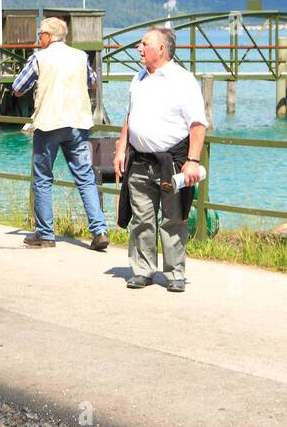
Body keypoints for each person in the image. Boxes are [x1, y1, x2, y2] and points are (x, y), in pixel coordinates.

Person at [113, 27, 208, 293]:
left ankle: (175, 272)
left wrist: (193, 160)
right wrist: (121, 149)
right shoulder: (139, 78)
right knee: (142, 218)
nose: (139, 49)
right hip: (140, 160)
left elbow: (198, 124)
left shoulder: (183, 80)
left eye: (144, 44)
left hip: (172, 163)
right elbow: (129, 118)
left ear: (161, 49)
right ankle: (143, 270)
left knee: (173, 219)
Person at [12, 17, 110, 250]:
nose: (39, 39)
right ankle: (99, 230)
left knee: (43, 178)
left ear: (47, 36)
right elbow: (93, 82)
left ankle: (46, 234)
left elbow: (17, 88)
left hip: (49, 123)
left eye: (40, 35)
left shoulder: (40, 58)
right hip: (77, 122)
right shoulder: (80, 56)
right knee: (85, 177)